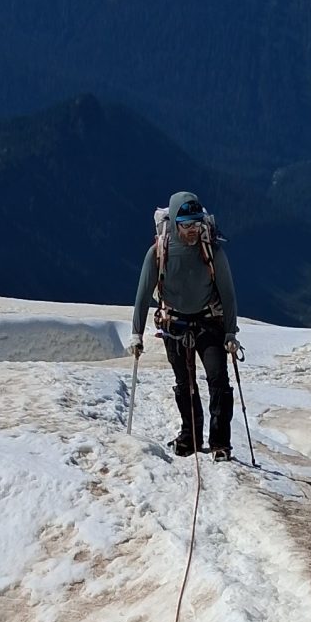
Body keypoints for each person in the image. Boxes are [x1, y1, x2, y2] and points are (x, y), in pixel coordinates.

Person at [130, 191, 241, 460]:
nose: (193, 231)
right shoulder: (162, 251)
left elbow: (228, 294)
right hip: (182, 322)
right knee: (187, 383)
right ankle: (193, 437)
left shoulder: (207, 250)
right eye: (188, 225)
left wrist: (230, 331)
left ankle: (218, 443)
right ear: (176, 224)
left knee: (217, 380)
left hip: (202, 323)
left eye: (196, 225)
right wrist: (136, 334)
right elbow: (143, 295)